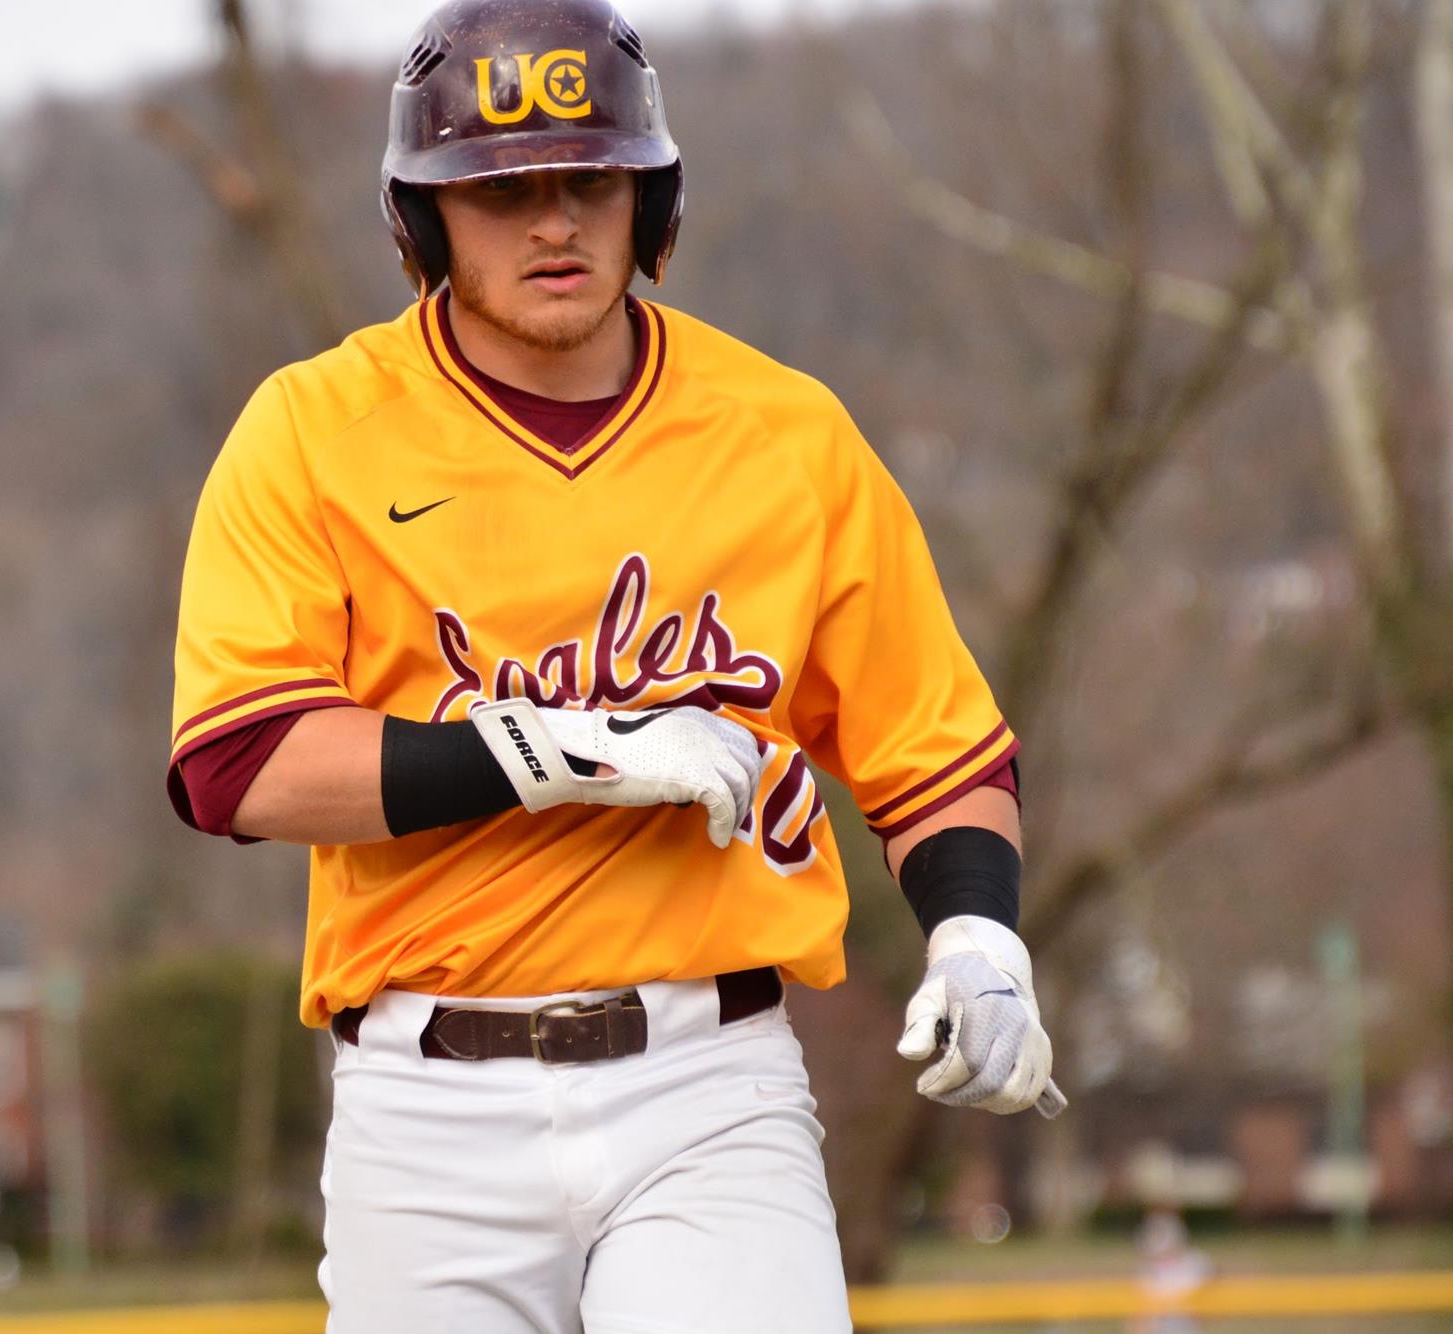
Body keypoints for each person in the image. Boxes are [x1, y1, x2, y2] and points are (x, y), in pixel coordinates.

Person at [168, 2, 1062, 1328]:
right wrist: (564, 750)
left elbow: (936, 749)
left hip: (709, 1084)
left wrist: (979, 932)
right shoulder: (313, 431)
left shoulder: (785, 436)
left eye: (591, 179)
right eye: (502, 188)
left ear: (650, 197)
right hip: (427, 1100)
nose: (555, 222)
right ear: (422, 221)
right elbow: (240, 762)